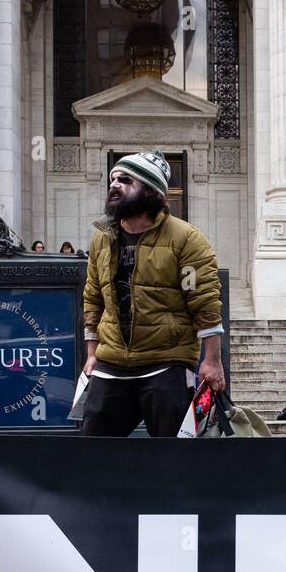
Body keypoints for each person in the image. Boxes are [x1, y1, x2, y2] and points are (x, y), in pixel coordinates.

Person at [80, 150, 225, 438]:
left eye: (125, 180)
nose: (114, 185)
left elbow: (204, 303)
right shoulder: (102, 238)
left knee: (174, 456)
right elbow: (93, 296)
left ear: (149, 191)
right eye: (113, 179)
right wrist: (92, 353)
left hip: (166, 364)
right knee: (92, 455)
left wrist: (212, 361)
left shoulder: (186, 239)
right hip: (111, 365)